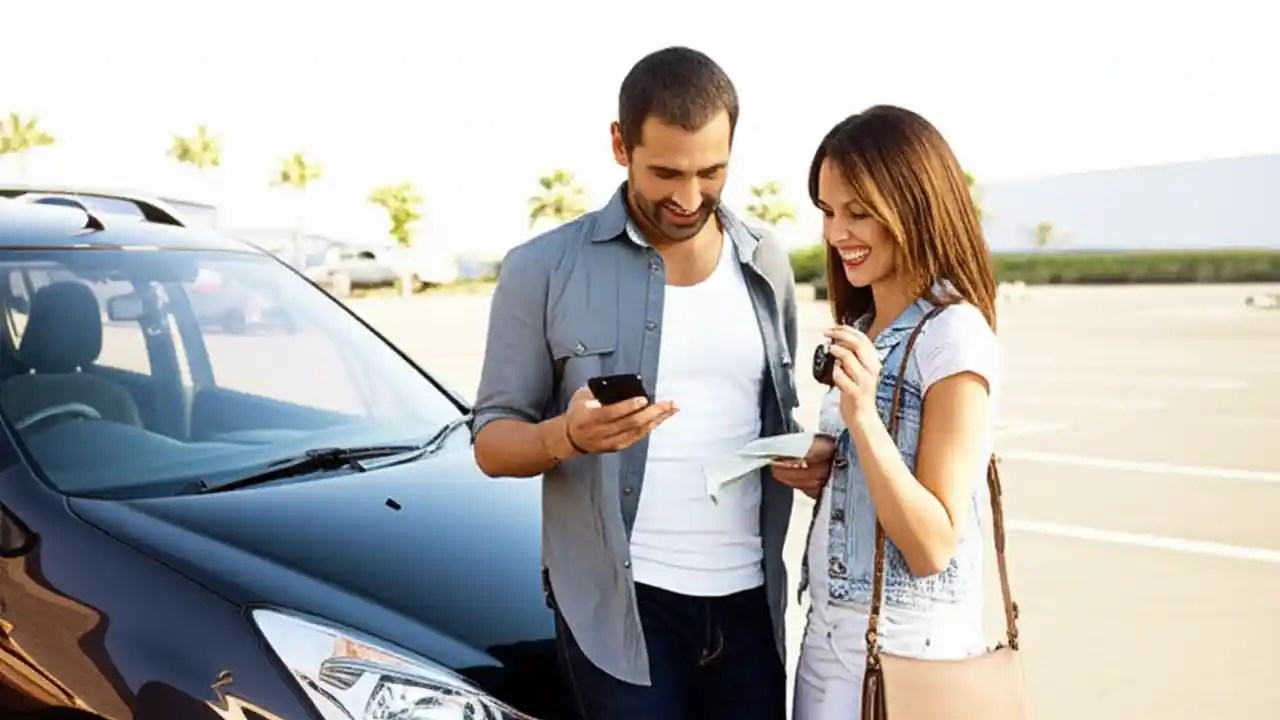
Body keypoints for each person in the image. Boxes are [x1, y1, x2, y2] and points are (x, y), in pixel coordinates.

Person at [471, 46, 826, 720]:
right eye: (665, 172)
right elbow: (491, 444)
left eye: (711, 172)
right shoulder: (541, 269)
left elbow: (776, 423)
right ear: (619, 144)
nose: (689, 198)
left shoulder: (765, 262)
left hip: (751, 605)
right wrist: (567, 436)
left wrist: (802, 459)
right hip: (622, 612)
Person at [784, 105, 1003, 720]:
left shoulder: (953, 336)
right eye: (828, 212)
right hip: (827, 636)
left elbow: (932, 542)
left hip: (907, 652)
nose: (837, 234)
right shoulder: (862, 325)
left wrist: (862, 418)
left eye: (859, 212)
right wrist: (827, 470)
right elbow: (878, 485)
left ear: (915, 206)